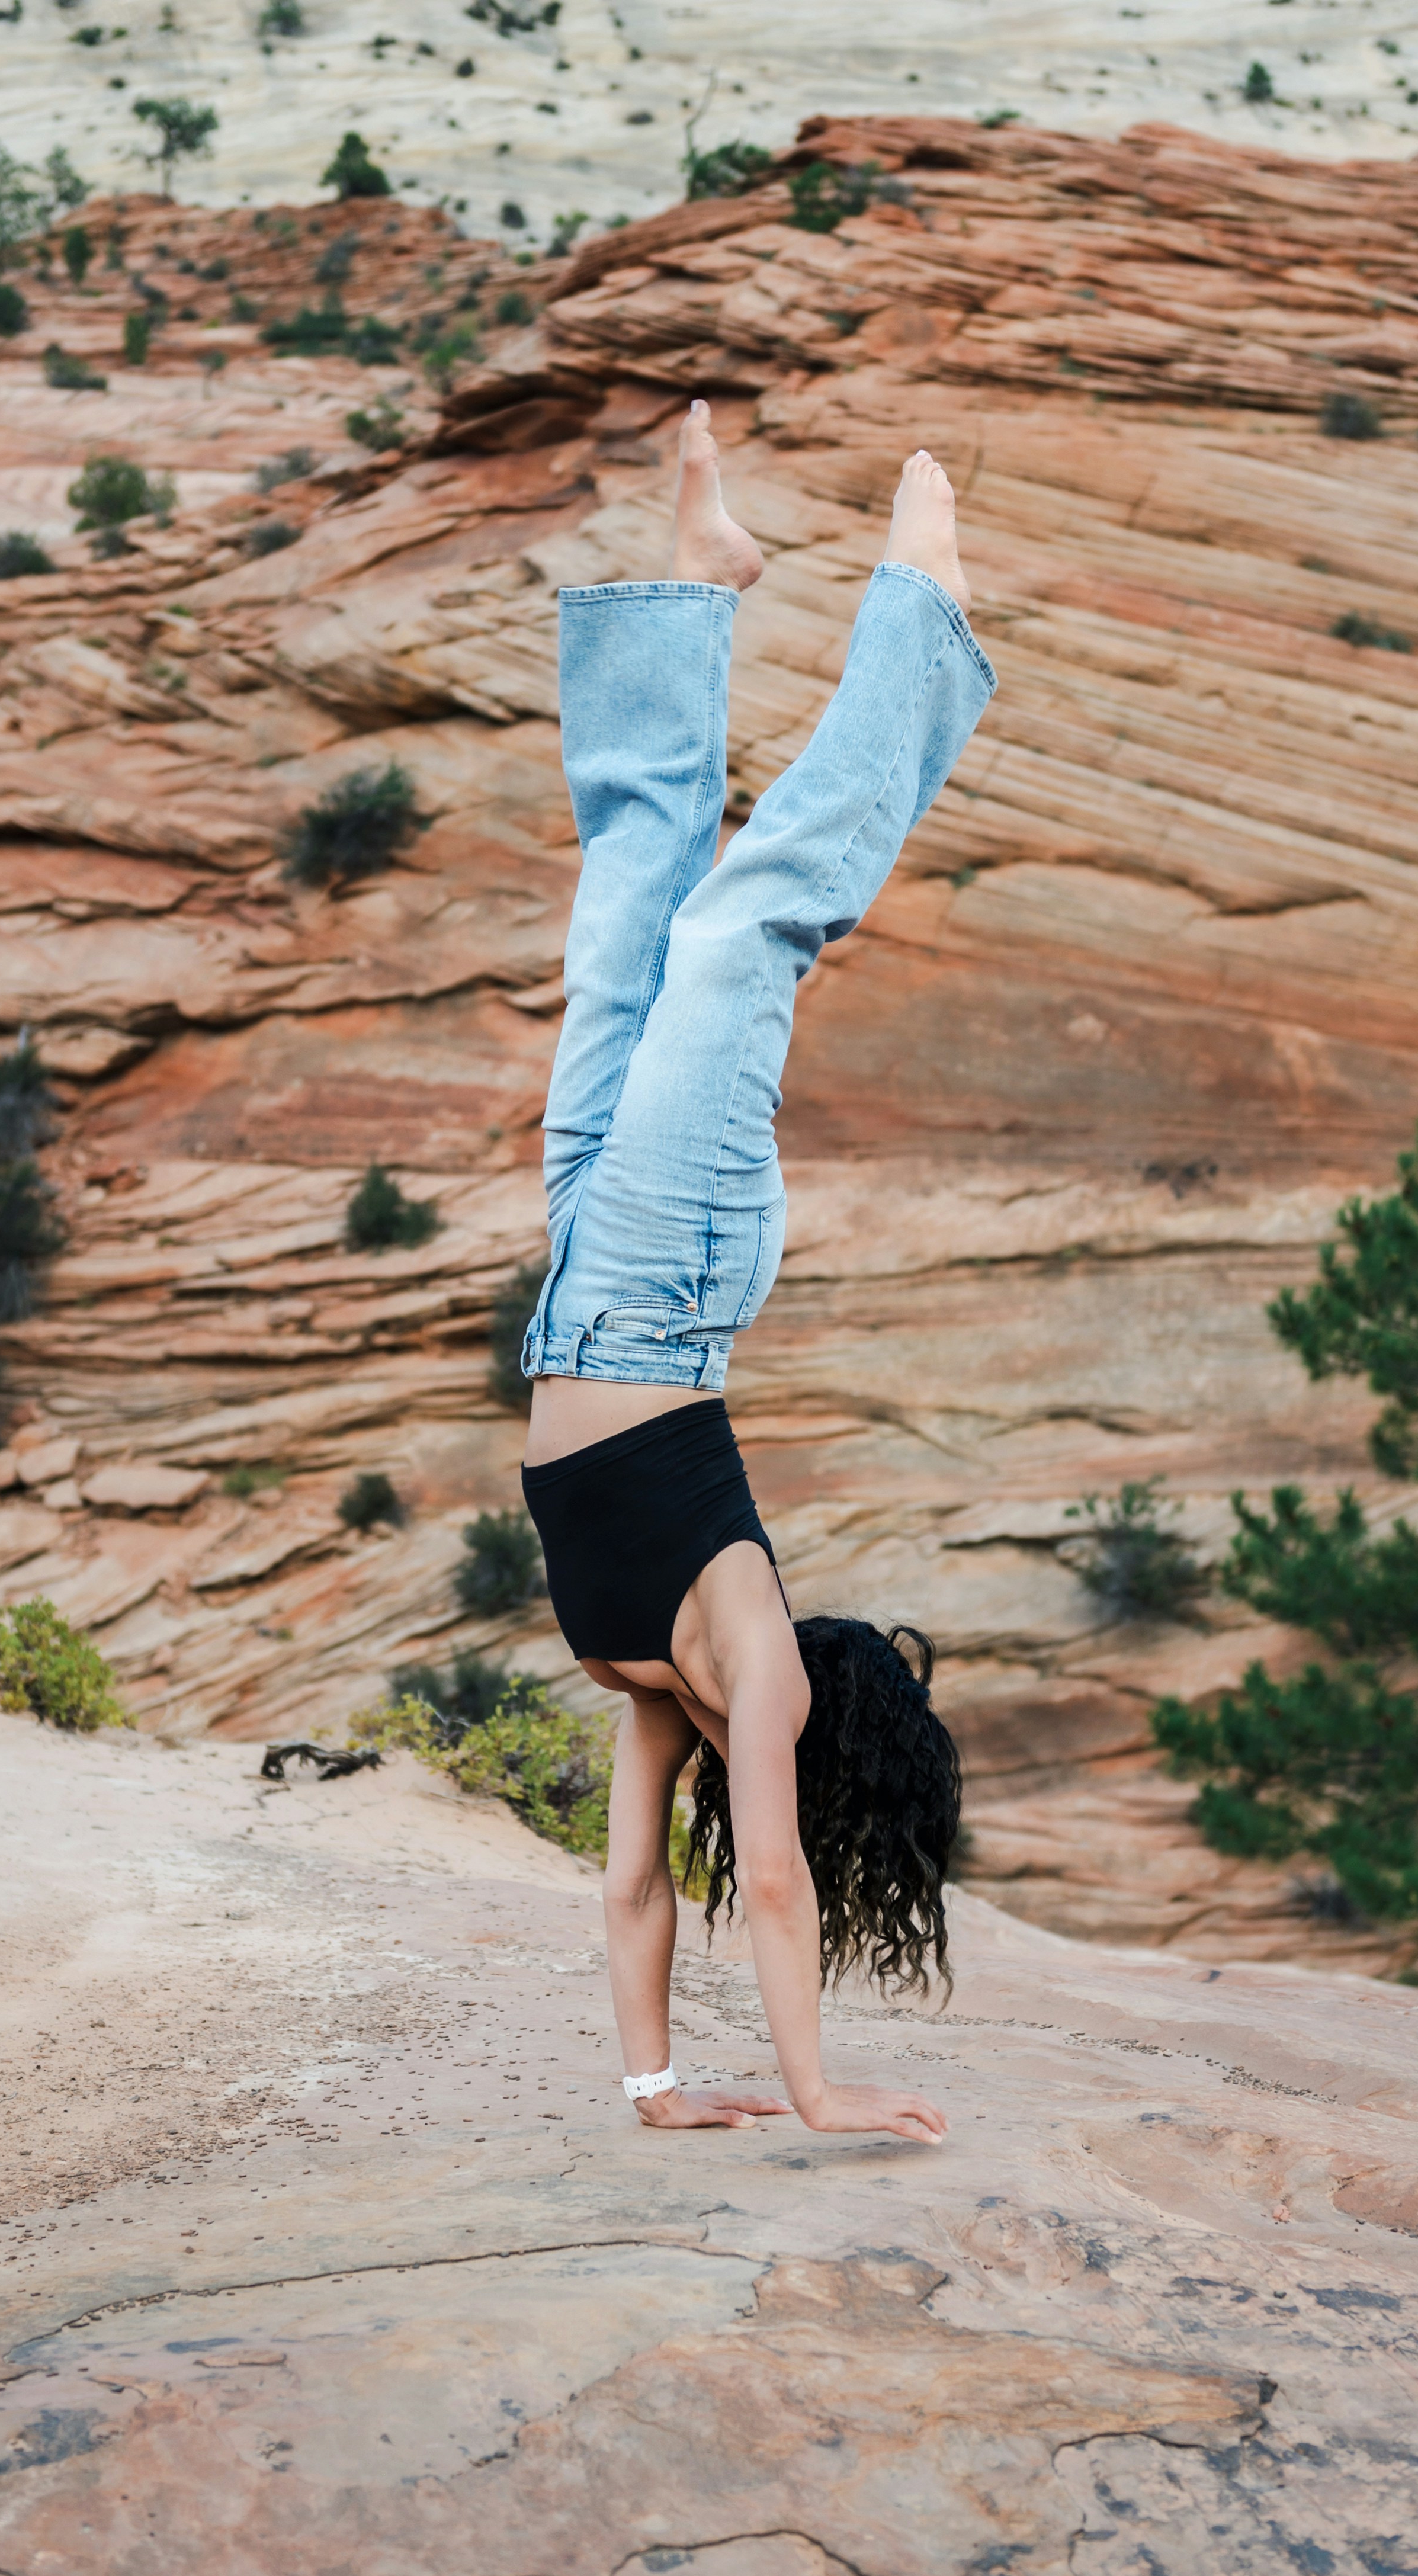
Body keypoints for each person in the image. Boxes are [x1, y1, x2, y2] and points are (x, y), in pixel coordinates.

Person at [518, 403, 996, 2145]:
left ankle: (697, 584)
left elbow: (638, 1890)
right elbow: (774, 1887)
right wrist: (818, 2098)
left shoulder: (665, 1690)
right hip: (672, 1276)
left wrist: (659, 2093)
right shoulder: (758, 1666)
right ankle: (923, 629)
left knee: (632, 911)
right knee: (748, 932)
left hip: (583, 1277)